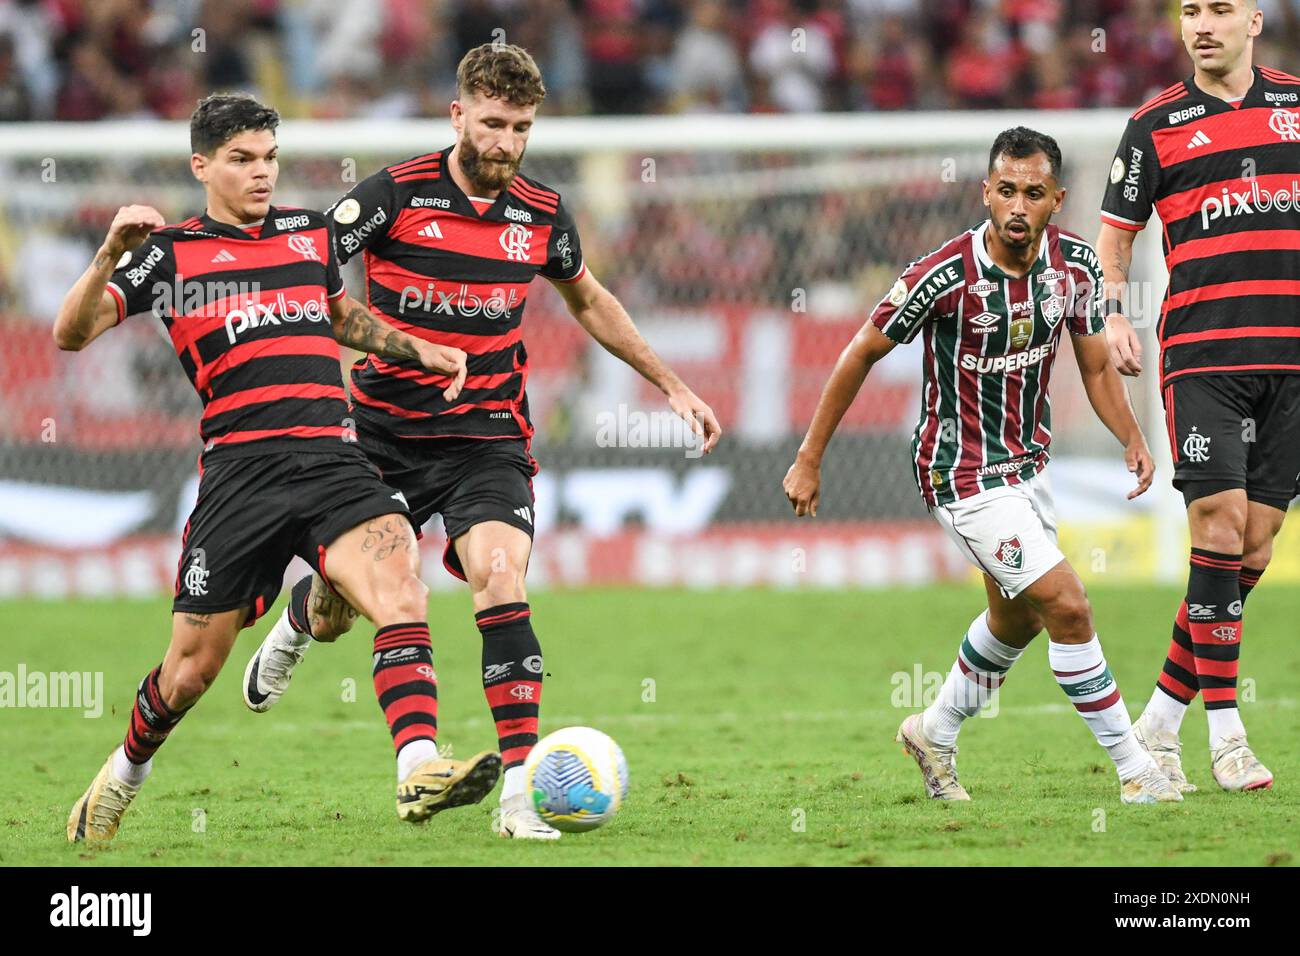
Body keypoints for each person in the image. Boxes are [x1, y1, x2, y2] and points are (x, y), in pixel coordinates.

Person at [240, 43, 722, 840]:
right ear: (458, 114)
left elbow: (591, 300)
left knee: (501, 577)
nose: (504, 142)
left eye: (521, 128)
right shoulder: (393, 195)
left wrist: (670, 384)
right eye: (491, 123)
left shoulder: (540, 212)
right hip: (379, 438)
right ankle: (298, 620)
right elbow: (306, 275)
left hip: (487, 438)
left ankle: (519, 797)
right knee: (347, 610)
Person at [55, 93, 498, 843]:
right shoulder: (166, 252)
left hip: (333, 455)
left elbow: (336, 316)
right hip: (240, 475)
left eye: (269, 158)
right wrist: (107, 256)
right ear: (201, 165)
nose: (262, 174)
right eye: (242, 160)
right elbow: (72, 334)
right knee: (190, 673)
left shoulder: (308, 232)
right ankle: (124, 773)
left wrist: (417, 348)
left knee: (400, 586)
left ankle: (418, 766)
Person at [784, 127, 1180, 804]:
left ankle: (932, 732)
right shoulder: (943, 275)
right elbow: (859, 352)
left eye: (1033, 192)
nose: (1017, 206)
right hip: (959, 472)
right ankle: (1137, 770)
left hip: (1029, 468)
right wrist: (809, 457)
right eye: (1005, 191)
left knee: (1017, 618)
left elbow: (1092, 362)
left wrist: (1132, 436)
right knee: (1067, 606)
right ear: (985, 194)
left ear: (1057, 199)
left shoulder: (1076, 268)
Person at [1098, 0, 1297, 792]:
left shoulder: (1292, 106)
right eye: (1189, 10)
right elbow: (1115, 233)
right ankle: (1228, 737)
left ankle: (1161, 720)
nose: (1202, 23)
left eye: (1219, 8)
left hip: (1289, 362)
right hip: (1203, 358)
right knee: (1216, 526)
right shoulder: (1156, 126)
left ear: (1255, 18)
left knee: (1254, 546)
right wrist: (1114, 312)